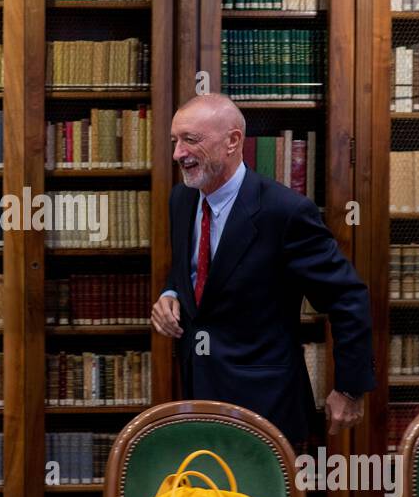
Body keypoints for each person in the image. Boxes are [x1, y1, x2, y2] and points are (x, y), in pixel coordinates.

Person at [151, 94, 375, 445]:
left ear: (233, 141)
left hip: (266, 406)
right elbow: (194, 270)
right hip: (197, 397)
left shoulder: (285, 212)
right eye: (175, 141)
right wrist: (170, 293)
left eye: (191, 140)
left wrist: (350, 388)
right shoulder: (182, 200)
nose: (178, 153)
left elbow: (348, 297)